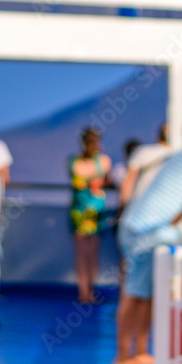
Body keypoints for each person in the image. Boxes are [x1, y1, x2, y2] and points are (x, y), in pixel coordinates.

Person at [114, 119, 182, 364]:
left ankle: (138, 352)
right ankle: (122, 356)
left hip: (139, 227)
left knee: (143, 294)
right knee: (133, 294)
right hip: (146, 232)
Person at [68, 127, 112, 304]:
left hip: (79, 210)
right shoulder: (103, 162)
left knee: (81, 254)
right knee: (92, 254)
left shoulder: (74, 161)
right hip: (95, 211)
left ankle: (83, 292)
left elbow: (77, 180)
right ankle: (90, 291)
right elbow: (105, 181)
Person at [118, 123, 173, 208]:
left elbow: (129, 181)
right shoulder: (178, 154)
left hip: (141, 206)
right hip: (168, 207)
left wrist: (122, 206)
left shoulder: (142, 152)